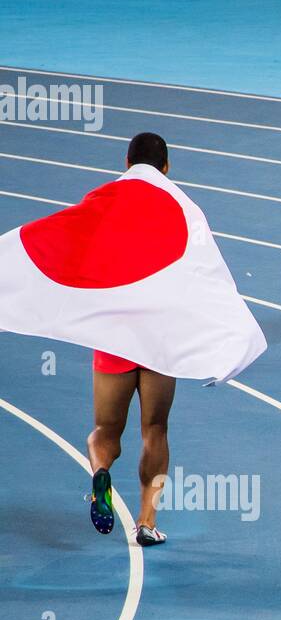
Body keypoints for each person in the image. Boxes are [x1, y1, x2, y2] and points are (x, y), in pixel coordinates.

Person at [86, 132, 177, 547]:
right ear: (166, 168)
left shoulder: (101, 200)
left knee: (105, 432)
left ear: (126, 162)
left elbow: (82, 257)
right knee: (154, 429)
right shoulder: (179, 207)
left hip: (115, 335)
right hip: (158, 335)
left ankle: (100, 474)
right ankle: (146, 520)